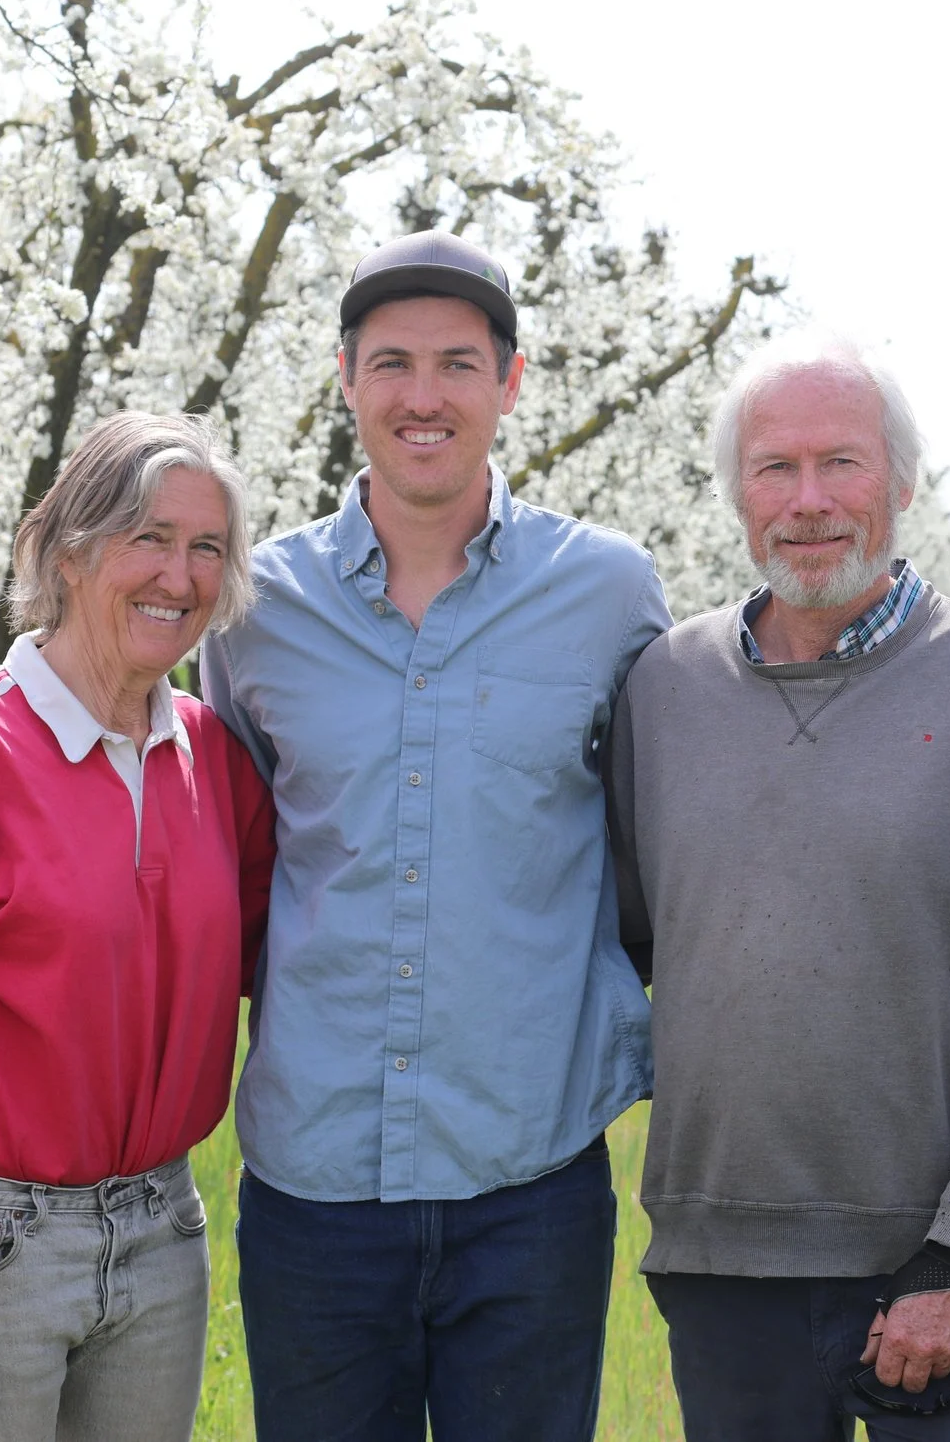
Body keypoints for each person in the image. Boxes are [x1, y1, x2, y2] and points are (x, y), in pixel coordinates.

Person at [200, 231, 670, 1442]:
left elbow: (650, 842)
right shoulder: (256, 611)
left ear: (510, 383)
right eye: (393, 362)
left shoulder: (609, 593)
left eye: (459, 363)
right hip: (314, 1184)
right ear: (346, 378)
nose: (424, 396)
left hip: (530, 1173)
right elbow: (232, 863)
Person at [607, 340, 950, 1442]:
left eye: (841, 462)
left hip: (938, 1261)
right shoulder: (664, 687)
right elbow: (646, 938)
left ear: (902, 481)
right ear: (734, 491)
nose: (807, 502)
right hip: (721, 1263)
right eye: (772, 468)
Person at [0, 412, 276, 1442]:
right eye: (149, 536)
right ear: (69, 551)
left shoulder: (213, 758)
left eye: (207, 546)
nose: (181, 573)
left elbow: (289, 956)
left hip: (164, 1236)